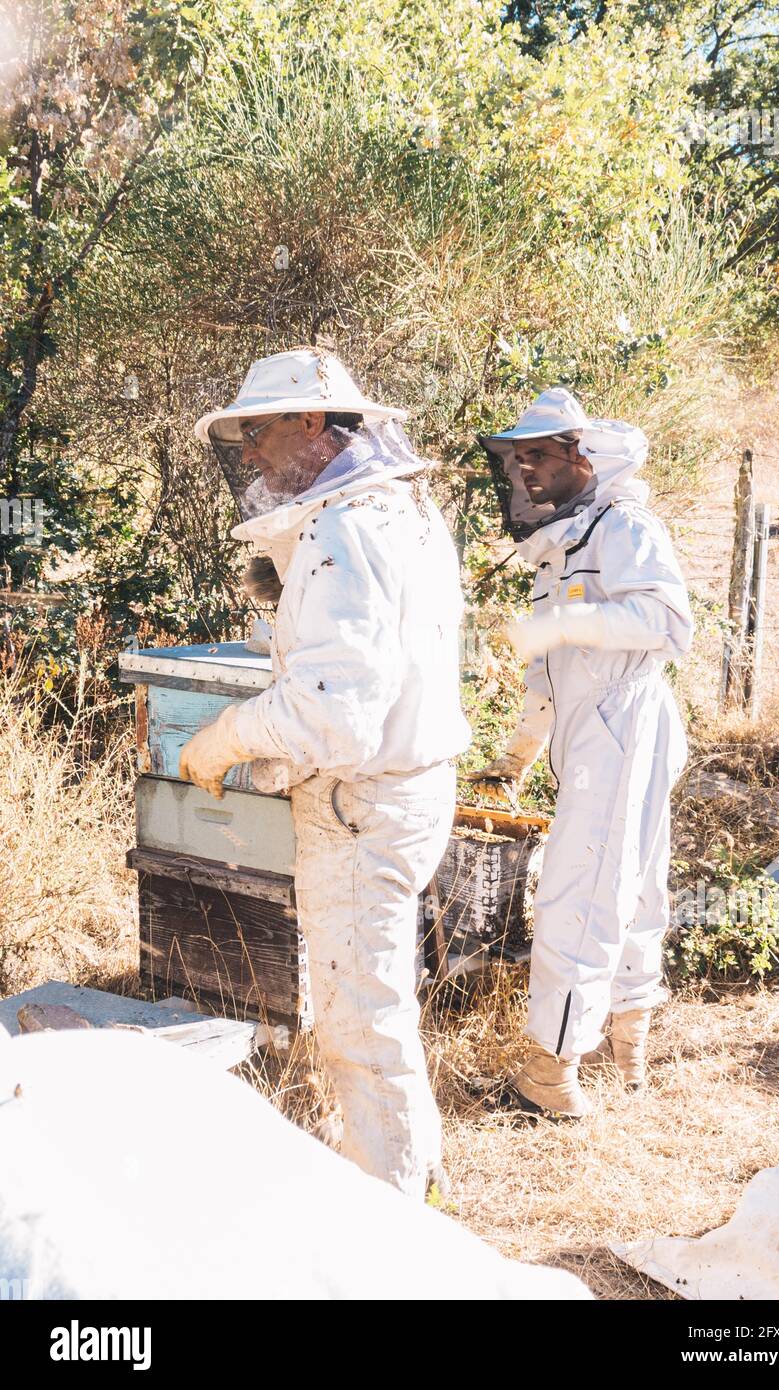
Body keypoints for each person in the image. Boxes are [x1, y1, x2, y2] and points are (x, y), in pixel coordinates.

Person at [178, 348, 471, 1197]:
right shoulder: (407, 510)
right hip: (403, 787)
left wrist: (226, 739)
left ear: (314, 422)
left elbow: (333, 716)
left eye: (260, 429)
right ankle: (416, 1178)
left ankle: (393, 1231)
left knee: (360, 1030)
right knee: (377, 1003)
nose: (249, 452)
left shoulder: (346, 530)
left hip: (361, 803)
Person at [473, 387, 693, 1116]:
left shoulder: (625, 526)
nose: (525, 471)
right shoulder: (565, 542)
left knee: (584, 887)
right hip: (598, 723)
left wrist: (569, 624)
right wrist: (516, 757)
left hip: (624, 715)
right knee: (631, 887)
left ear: (580, 456)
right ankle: (624, 1053)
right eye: (518, 459)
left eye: (537, 456)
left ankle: (549, 1075)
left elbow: (665, 622)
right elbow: (549, 673)